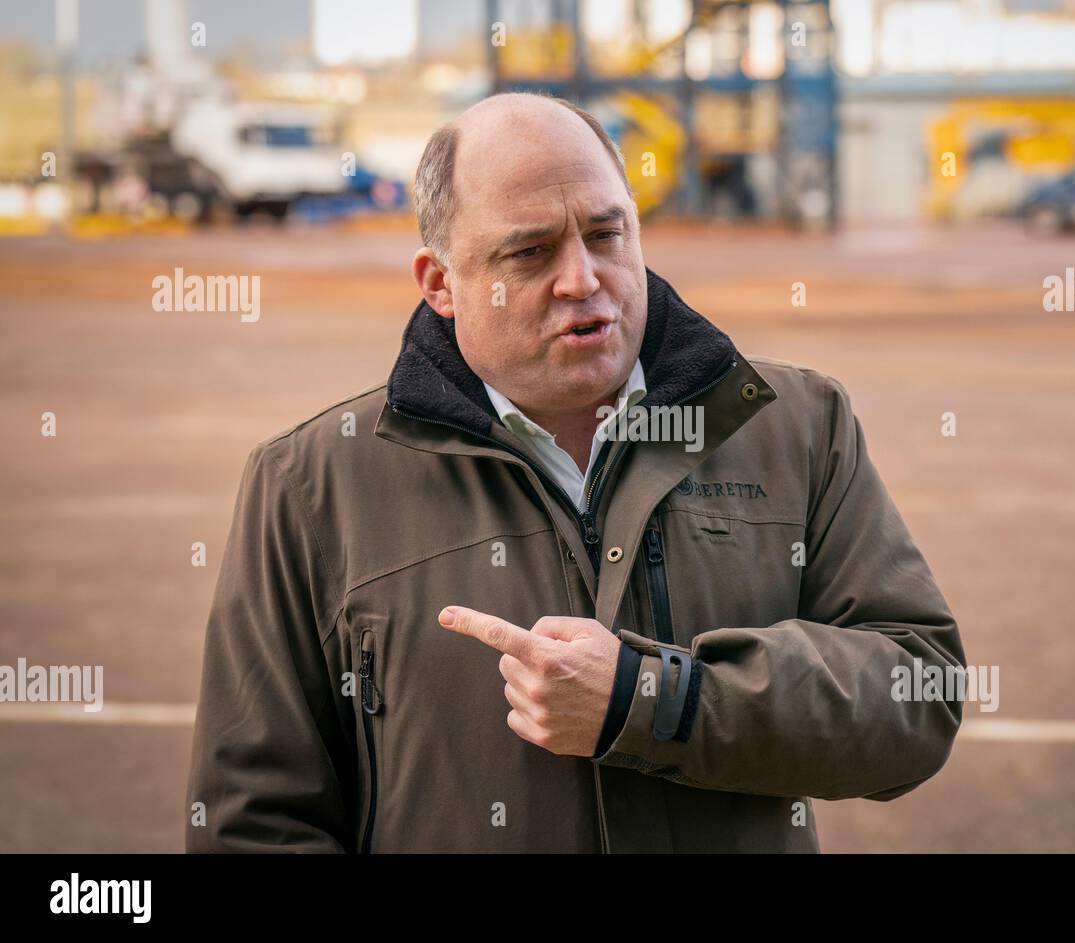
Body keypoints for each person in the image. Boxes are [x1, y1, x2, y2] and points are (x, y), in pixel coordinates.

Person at [184, 91, 965, 853]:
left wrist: (656, 699)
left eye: (605, 233)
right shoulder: (309, 485)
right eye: (529, 252)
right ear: (440, 283)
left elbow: (919, 695)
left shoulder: (794, 423)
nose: (582, 279)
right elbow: (254, 822)